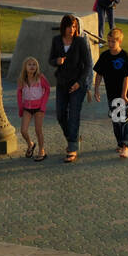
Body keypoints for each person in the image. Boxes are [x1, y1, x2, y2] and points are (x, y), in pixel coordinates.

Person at [50, 15, 93, 163]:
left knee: (74, 115)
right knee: (61, 115)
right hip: (62, 84)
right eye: (70, 26)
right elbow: (51, 59)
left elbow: (88, 65)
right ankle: (73, 138)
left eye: (74, 26)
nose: (72, 29)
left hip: (77, 85)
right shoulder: (56, 40)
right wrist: (57, 61)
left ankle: (72, 148)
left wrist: (80, 83)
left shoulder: (80, 42)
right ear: (64, 27)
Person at [93, 27, 128, 159]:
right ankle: (120, 143)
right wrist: (97, 89)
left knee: (125, 119)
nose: (110, 44)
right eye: (109, 41)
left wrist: (124, 95)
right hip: (112, 93)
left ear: (119, 41)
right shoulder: (105, 56)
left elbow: (126, 77)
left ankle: (125, 146)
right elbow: (99, 74)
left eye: (113, 42)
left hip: (125, 93)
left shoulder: (124, 56)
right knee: (116, 120)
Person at [15, 56, 51, 161]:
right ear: (25, 67)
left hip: (39, 107)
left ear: (37, 67)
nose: (32, 66)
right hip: (27, 108)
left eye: (34, 64)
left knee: (38, 130)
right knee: (23, 130)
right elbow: (19, 93)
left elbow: (47, 89)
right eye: (29, 64)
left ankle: (41, 150)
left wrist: (43, 105)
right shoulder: (22, 79)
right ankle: (30, 144)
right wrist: (20, 107)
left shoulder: (40, 77)